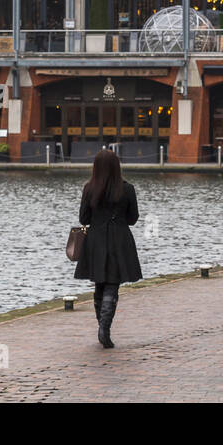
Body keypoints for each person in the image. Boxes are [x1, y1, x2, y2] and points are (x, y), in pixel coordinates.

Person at [73, 149, 142, 348]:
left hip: (95, 240)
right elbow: (133, 219)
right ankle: (105, 327)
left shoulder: (89, 188)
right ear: (116, 167)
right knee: (112, 283)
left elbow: (83, 219)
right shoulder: (127, 189)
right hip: (120, 239)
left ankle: (102, 326)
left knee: (99, 283)